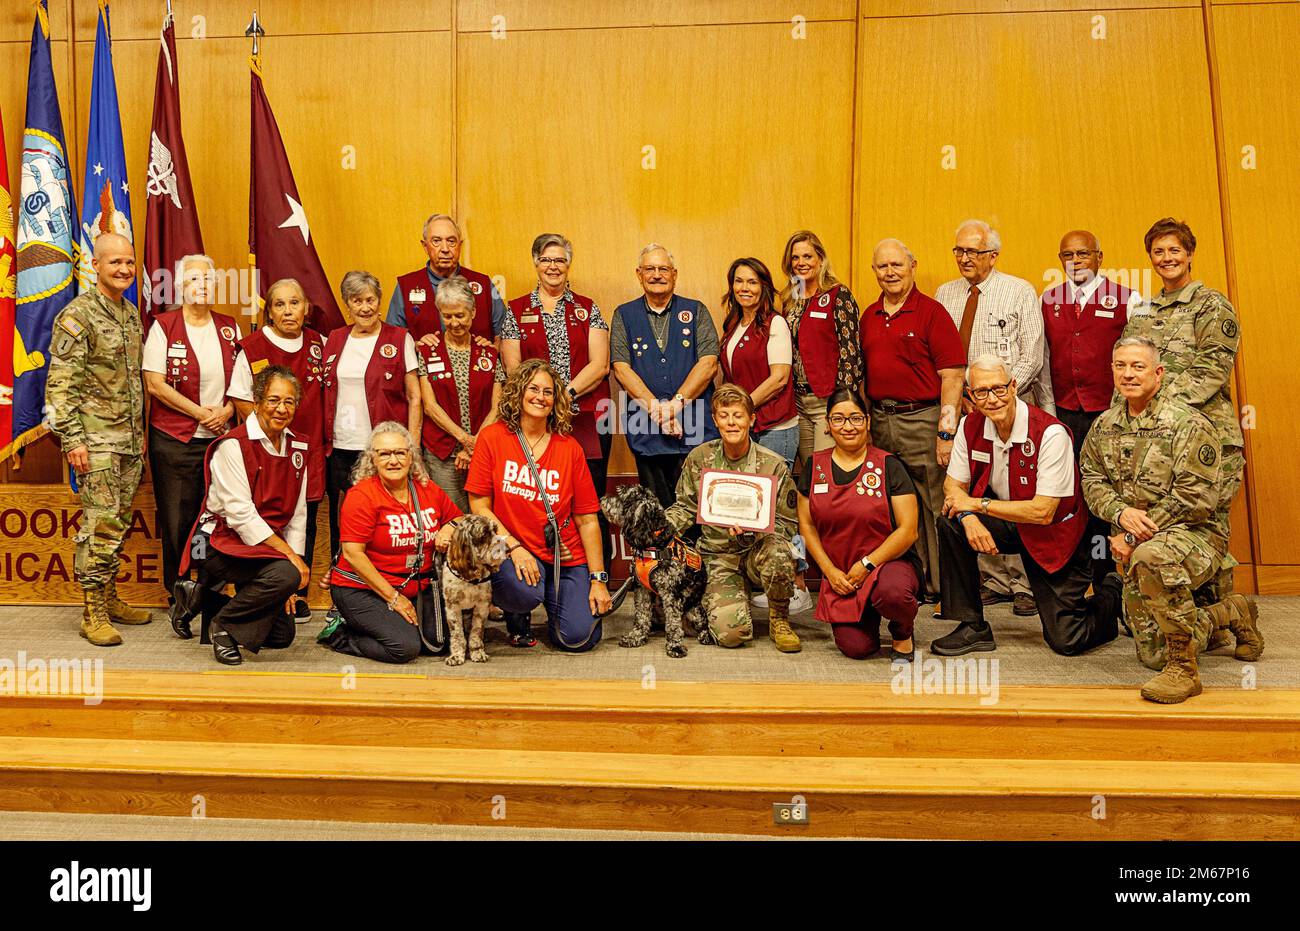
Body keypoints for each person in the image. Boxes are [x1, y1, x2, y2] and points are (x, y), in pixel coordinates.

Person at [1080, 337, 1262, 703]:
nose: (1128, 374)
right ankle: (1231, 611)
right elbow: (1091, 477)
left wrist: (1133, 537)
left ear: (1158, 373)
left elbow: (1195, 499)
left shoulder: (1188, 423)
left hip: (1196, 535)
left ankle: (1184, 670)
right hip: (1139, 540)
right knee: (1151, 655)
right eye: (1120, 366)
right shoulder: (1105, 425)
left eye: (1138, 366)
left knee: (1152, 559)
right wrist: (1120, 513)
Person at [930, 355, 1119, 658]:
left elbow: (1043, 512)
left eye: (999, 389)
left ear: (1014, 386)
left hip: (1057, 534)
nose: (992, 399)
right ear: (970, 396)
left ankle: (1112, 590)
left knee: (1067, 640)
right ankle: (972, 625)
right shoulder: (970, 426)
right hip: (1010, 519)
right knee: (950, 522)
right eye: (981, 392)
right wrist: (968, 517)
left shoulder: (1050, 433)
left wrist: (976, 504)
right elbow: (953, 487)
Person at [1122, 217, 1244, 604]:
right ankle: (1179, 612)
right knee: (1163, 523)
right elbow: (1126, 365)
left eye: (1174, 250)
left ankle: (1226, 614)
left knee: (1206, 523)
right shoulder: (1142, 311)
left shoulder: (1211, 305)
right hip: (1157, 445)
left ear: (1189, 254)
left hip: (1208, 437)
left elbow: (1212, 368)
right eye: (1158, 251)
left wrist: (1159, 410)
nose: (1166, 258)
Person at [936, 219, 1048, 617]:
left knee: (1015, 490)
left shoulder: (1018, 290)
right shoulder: (945, 294)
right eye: (959, 251)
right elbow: (944, 355)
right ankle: (994, 580)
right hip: (968, 410)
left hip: (1008, 406)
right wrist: (967, 399)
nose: (965, 259)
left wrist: (994, 396)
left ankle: (1023, 584)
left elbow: (1032, 353)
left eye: (974, 252)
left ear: (993, 255)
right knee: (980, 485)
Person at [44, 232, 153, 645]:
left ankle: (110, 596)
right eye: (115, 263)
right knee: (98, 526)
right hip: (96, 443)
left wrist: (139, 433)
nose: (124, 269)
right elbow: (59, 388)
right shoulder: (78, 316)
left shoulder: (129, 314)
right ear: (96, 265)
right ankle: (92, 612)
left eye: (129, 262)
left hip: (127, 441)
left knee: (118, 524)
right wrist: (73, 440)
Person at [465, 359, 613, 650]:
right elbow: (479, 505)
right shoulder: (492, 438)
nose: (540, 397)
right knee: (522, 591)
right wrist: (513, 546)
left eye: (548, 392)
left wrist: (598, 579)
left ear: (555, 400)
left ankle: (555, 593)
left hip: (562, 553)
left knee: (579, 639)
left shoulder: (570, 448)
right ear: (518, 393)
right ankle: (519, 607)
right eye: (533, 389)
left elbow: (587, 519)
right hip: (507, 544)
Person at [859, 238, 965, 602]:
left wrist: (947, 433)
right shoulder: (869, 315)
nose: (889, 273)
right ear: (874, 271)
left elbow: (953, 375)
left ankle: (945, 587)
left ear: (912, 266)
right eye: (882, 267)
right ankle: (912, 583)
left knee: (935, 505)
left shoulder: (931, 313)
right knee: (894, 505)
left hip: (923, 419)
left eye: (896, 265)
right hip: (881, 421)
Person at [663, 384, 801, 652]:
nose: (731, 423)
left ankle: (779, 618)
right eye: (724, 416)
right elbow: (686, 508)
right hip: (718, 557)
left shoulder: (773, 465)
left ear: (751, 419)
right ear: (715, 421)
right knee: (732, 636)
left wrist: (756, 531)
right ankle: (732, 603)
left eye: (738, 416)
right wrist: (659, 528)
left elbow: (788, 526)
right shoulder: (700, 458)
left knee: (779, 553)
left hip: (758, 551)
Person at [501, 234, 612, 560]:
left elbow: (600, 364)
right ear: (536, 263)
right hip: (536, 421)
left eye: (560, 260)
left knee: (590, 501)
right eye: (546, 259)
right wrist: (545, 401)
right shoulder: (516, 310)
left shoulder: (587, 308)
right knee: (540, 498)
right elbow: (513, 369)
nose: (553, 266)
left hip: (588, 418)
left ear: (568, 264)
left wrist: (562, 395)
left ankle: (597, 580)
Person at [193, 366, 309, 666]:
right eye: (273, 400)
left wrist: (289, 579)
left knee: (281, 637)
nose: (281, 409)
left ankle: (196, 598)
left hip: (259, 546)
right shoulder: (233, 446)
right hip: (212, 542)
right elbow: (241, 515)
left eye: (289, 401)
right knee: (286, 573)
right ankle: (223, 627)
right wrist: (291, 562)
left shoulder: (297, 447)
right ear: (255, 403)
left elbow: (298, 515)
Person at [142, 254, 239, 613]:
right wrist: (200, 414)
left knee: (217, 518)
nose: (201, 286)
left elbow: (241, 380)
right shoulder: (163, 326)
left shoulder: (230, 327)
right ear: (180, 285)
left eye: (208, 280)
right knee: (179, 521)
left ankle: (211, 592)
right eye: (193, 280)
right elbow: (155, 385)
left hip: (220, 441)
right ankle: (179, 593)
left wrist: (227, 410)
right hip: (175, 442)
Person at [797, 388, 922, 660]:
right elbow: (806, 526)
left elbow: (908, 530)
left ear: (867, 421)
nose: (848, 426)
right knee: (857, 648)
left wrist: (868, 564)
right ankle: (868, 614)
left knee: (893, 595)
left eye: (855, 418)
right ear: (828, 425)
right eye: (839, 419)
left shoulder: (889, 465)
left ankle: (903, 631)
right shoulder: (814, 466)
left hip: (887, 565)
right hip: (841, 573)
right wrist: (829, 572)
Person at [320, 422, 461, 664]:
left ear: (411, 456)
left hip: (415, 584)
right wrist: (394, 599)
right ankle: (341, 633)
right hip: (363, 588)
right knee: (404, 647)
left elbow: (460, 518)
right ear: (372, 459)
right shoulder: (362, 496)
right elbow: (353, 554)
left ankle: (383, 624)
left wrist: (449, 527)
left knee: (440, 644)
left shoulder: (427, 489)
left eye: (399, 452)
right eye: (384, 454)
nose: (393, 460)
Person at [228, 278, 326, 621]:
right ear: (269, 311)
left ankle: (297, 593)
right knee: (264, 519)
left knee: (303, 522)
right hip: (264, 452)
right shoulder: (251, 348)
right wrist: (272, 437)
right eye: (280, 304)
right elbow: (241, 399)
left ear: (306, 309)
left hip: (306, 453)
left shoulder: (320, 344)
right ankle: (259, 590)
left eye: (295, 303)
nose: (288, 310)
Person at [321, 271, 421, 578]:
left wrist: (412, 446)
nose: (365, 307)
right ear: (346, 304)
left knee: (383, 518)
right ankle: (343, 584)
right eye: (356, 300)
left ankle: (386, 582)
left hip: (382, 450)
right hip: (340, 446)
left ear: (379, 302)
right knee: (344, 522)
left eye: (370, 299)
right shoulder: (335, 338)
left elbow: (415, 397)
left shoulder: (399, 337)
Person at [609, 244, 719, 506]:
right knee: (659, 513)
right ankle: (665, 551)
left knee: (702, 510)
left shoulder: (696, 311)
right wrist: (659, 411)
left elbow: (708, 364)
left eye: (663, 269)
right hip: (647, 432)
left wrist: (675, 405)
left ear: (674, 274)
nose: (657, 274)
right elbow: (621, 369)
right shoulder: (624, 315)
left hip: (697, 431)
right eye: (650, 269)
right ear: (639, 274)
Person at [778, 230, 865, 466]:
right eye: (795, 258)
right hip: (797, 401)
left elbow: (851, 355)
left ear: (820, 259)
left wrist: (841, 408)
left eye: (807, 256)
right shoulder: (790, 298)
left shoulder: (837, 294)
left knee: (826, 468)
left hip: (825, 400)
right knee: (809, 471)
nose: (801, 263)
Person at [418, 277, 504, 512]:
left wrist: (476, 444)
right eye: (448, 316)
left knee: (486, 520)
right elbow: (430, 406)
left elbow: (497, 407)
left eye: (460, 315)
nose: (454, 323)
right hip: (442, 454)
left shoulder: (488, 352)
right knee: (452, 519)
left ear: (473, 312)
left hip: (484, 450)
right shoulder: (427, 351)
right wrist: (465, 441)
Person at [718, 257, 797, 466]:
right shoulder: (733, 325)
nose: (744, 288)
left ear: (764, 287)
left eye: (752, 282)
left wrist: (742, 407)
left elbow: (779, 378)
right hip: (745, 426)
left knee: (770, 495)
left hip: (774, 429)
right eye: (739, 281)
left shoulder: (775, 323)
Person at [386, 213, 507, 344]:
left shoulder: (484, 283)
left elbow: (504, 334)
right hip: (424, 363)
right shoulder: (406, 285)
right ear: (425, 246)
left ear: (460, 245)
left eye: (451, 241)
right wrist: (415, 346)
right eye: (436, 241)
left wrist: (492, 350)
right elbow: (393, 338)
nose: (445, 249)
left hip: (476, 363)